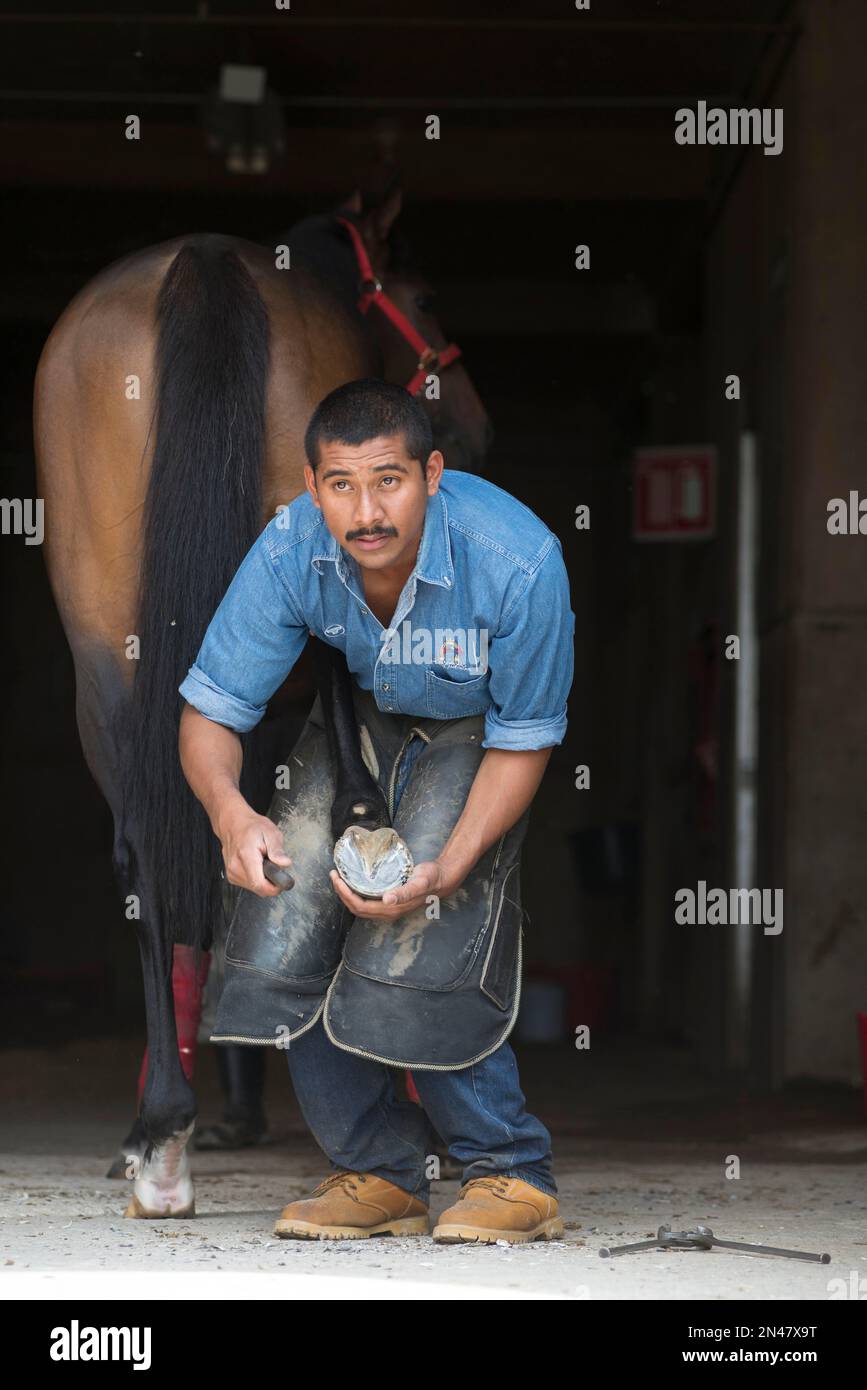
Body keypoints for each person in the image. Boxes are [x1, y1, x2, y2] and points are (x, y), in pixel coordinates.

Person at [177, 379, 575, 1243]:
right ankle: (378, 1171)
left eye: (389, 480)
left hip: (479, 731)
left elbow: (524, 742)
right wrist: (231, 816)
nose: (366, 511)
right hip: (359, 715)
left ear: (432, 473)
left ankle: (509, 1170)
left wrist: (453, 862)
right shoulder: (289, 547)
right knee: (288, 896)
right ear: (312, 484)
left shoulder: (519, 561)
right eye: (342, 485)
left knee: (422, 915)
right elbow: (211, 712)